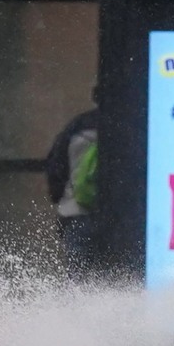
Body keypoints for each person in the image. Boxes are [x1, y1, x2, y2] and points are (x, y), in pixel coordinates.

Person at [44, 88, 100, 276]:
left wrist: (59, 196)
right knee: (121, 279)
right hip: (119, 219)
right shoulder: (131, 127)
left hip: (77, 212)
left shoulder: (77, 126)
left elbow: (55, 167)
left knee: (78, 283)